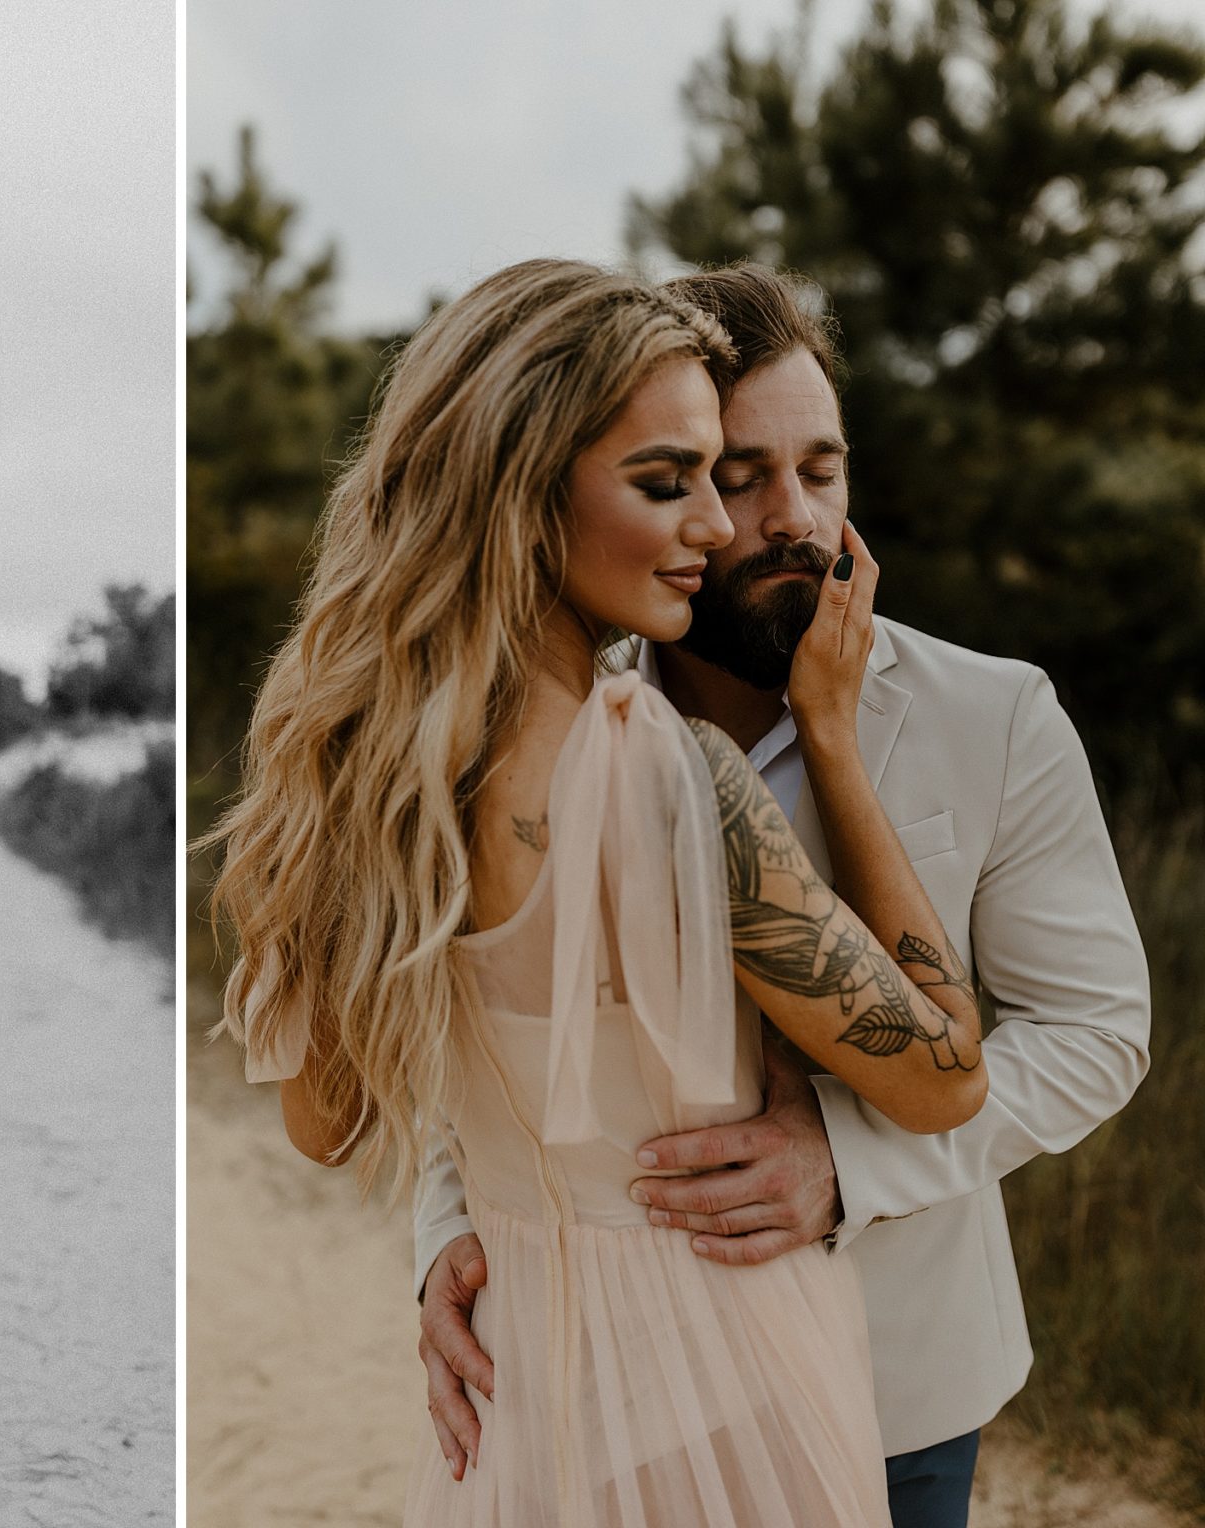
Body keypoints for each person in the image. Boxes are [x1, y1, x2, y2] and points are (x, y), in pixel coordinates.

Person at [209, 258, 995, 1526]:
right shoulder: (668, 777)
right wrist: (833, 745)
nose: (714, 527)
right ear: (522, 496)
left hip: (518, 1391)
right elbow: (943, 1075)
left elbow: (324, 1123)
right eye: (666, 482)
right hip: (731, 1379)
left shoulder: (352, 778)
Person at [413, 265, 1151, 1528]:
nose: (787, 516)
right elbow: (475, 1032)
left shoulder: (993, 714)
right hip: (606, 1395)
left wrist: (842, 1160)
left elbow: (1095, 1031)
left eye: (820, 468)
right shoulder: (538, 725)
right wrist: (443, 1234)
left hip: (892, 1385)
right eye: (736, 474)